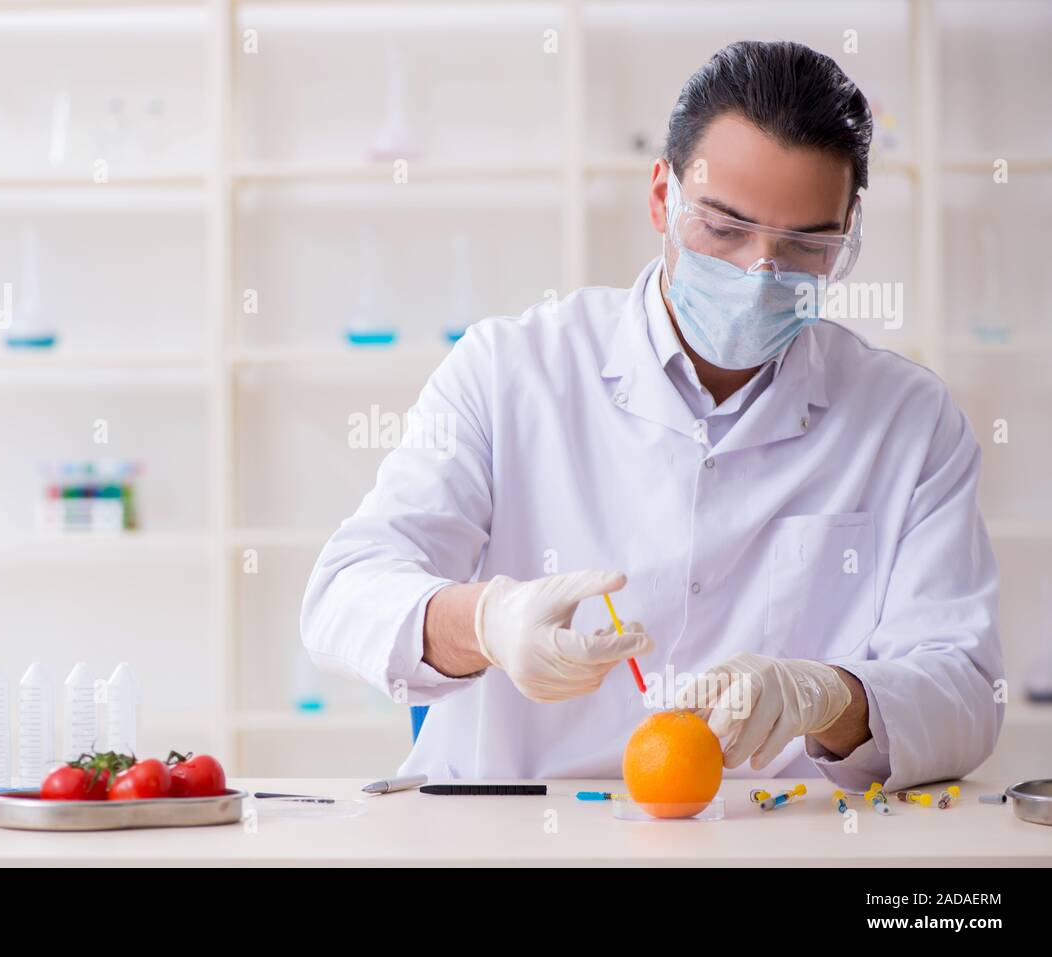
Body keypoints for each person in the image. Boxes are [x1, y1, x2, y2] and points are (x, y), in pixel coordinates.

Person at [301, 40, 1002, 789]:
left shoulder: (908, 421)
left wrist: (828, 696)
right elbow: (345, 594)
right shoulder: (509, 370)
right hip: (514, 832)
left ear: (846, 237)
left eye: (803, 245)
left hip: (773, 836)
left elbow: (966, 690)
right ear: (663, 196)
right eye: (725, 228)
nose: (756, 273)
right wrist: (485, 623)